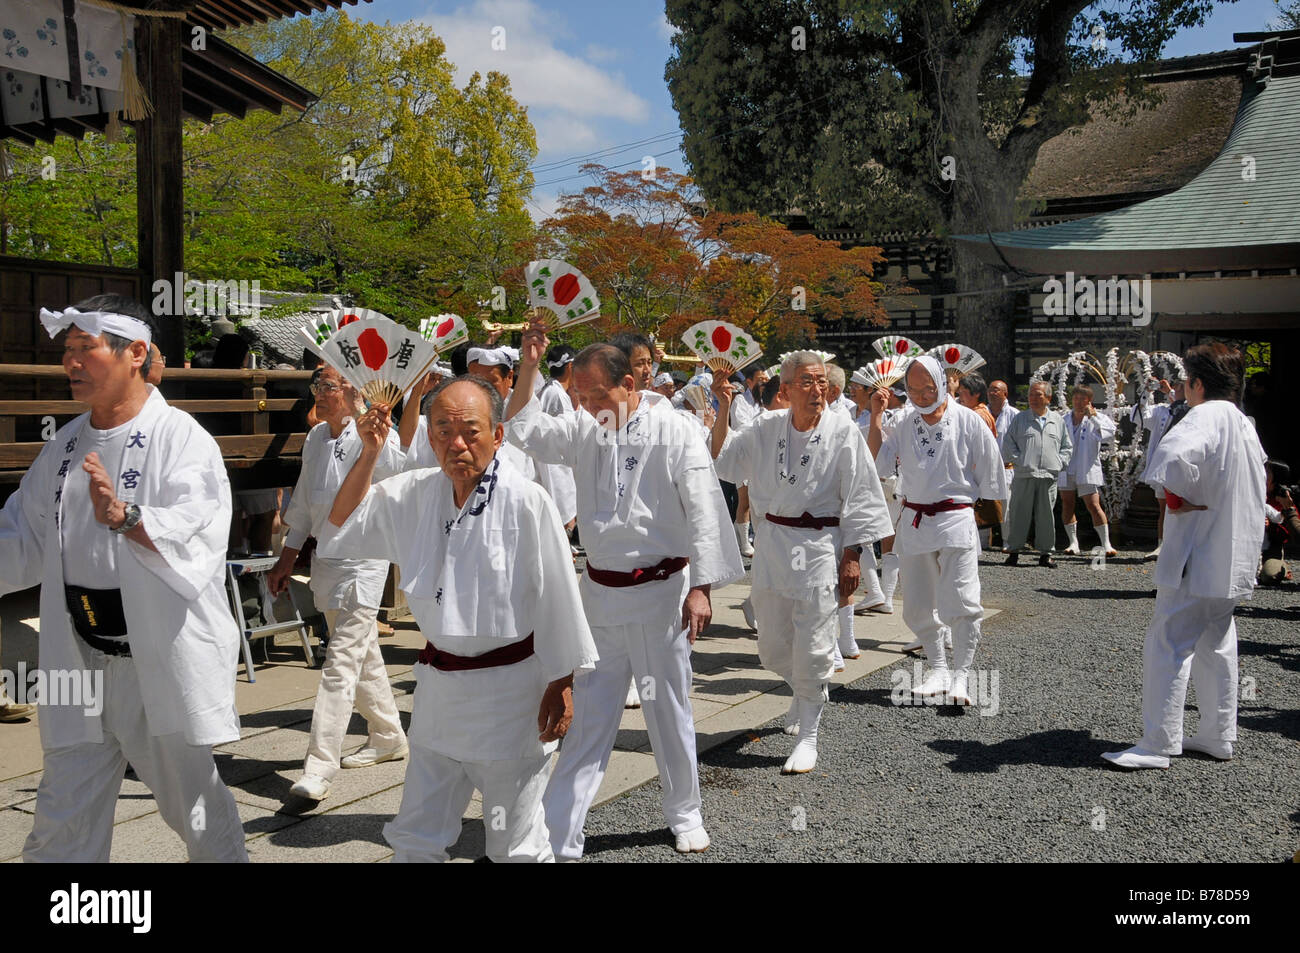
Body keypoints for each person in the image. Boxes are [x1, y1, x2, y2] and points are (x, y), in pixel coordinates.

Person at [0, 296, 246, 862]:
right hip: (76, 655)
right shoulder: (64, 447)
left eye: (86, 349)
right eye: (67, 351)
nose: (72, 363)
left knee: (193, 803)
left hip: (152, 659)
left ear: (136, 353)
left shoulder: (180, 437)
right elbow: (23, 538)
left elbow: (198, 527)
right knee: (64, 808)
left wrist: (130, 518)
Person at [318, 377, 598, 860]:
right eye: (443, 429)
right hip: (439, 696)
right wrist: (369, 452)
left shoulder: (527, 501)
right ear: (429, 437)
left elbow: (559, 594)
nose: (457, 442)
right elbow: (339, 531)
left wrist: (563, 680)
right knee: (416, 833)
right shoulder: (415, 491)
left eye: (470, 429)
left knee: (516, 844)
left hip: (511, 695)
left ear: (498, 434)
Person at [506, 323, 743, 856]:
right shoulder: (584, 429)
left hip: (662, 591)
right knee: (588, 713)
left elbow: (705, 506)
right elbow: (521, 427)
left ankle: (685, 812)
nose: (587, 405)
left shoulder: (676, 428)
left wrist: (701, 587)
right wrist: (528, 364)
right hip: (599, 592)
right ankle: (559, 832)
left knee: (668, 710)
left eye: (596, 394)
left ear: (630, 385)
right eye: (579, 396)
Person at [712, 352, 892, 770]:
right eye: (807, 383)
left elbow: (862, 495)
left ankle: (810, 732)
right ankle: (804, 690)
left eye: (822, 382)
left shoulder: (843, 431)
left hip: (820, 546)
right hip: (774, 542)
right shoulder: (767, 426)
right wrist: (723, 409)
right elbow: (723, 461)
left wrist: (853, 557)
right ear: (786, 388)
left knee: (813, 643)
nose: (817, 390)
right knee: (773, 646)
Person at [1102, 343, 1267, 770]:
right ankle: (1217, 734)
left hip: (1199, 551)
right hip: (1231, 554)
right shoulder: (1244, 423)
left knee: (1170, 641)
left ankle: (1158, 743)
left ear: (1195, 384)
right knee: (1216, 641)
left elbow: (1172, 455)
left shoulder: (1205, 415)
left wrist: (1176, 497)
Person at [268, 365, 409, 801]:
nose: (320, 392)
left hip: (365, 560)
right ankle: (387, 734)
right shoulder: (314, 438)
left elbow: (398, 470)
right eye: (317, 385)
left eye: (328, 385)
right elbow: (306, 500)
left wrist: (377, 431)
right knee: (362, 655)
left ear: (352, 389)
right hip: (327, 558)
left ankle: (319, 767)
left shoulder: (376, 432)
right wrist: (286, 557)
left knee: (339, 664)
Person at [867, 357, 1007, 704]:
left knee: (961, 600)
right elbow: (878, 464)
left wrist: (981, 506)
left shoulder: (968, 420)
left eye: (927, 388)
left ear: (942, 385)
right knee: (915, 603)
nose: (920, 396)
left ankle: (961, 676)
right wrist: (875, 417)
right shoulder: (902, 421)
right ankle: (938, 667)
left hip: (955, 518)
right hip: (914, 518)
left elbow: (991, 470)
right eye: (912, 390)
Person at [1002, 381, 1072, 568]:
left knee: (1046, 516)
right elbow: (1008, 443)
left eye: (1038, 394)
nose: (1033, 398)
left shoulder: (1057, 420)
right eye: (1031, 394)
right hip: (1025, 474)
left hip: (1049, 475)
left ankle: (1046, 553)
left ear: (1048, 398)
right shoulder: (1020, 419)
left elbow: (1067, 446)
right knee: (1019, 513)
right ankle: (1014, 551)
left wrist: (1060, 462)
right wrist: (1019, 460)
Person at [1058, 384, 1118, 557]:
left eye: (1082, 399)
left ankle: (1106, 544)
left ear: (1089, 401)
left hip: (1086, 467)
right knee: (1067, 504)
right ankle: (1073, 543)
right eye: (1075, 398)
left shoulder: (1098, 417)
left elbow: (1109, 434)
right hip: (1066, 467)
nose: (1078, 402)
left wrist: (1093, 417)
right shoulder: (1064, 418)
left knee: (1093, 505)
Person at [1139, 377, 1188, 559]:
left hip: (1182, 464)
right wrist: (1147, 392)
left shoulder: (1191, 409)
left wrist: (1169, 393)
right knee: (1165, 507)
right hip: (1163, 463)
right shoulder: (1162, 410)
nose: (1176, 389)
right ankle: (1162, 545)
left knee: (1180, 507)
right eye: (1176, 387)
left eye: (1180, 388)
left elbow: (1183, 409)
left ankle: (1179, 546)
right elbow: (1140, 417)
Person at [957, 372, 1004, 549]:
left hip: (976, 465)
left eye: (963, 392)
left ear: (975, 393)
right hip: (974, 464)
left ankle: (980, 545)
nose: (959, 396)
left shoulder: (979, 415)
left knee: (978, 506)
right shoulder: (974, 412)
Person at [1259, 460, 1300, 585]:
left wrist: (1269, 526)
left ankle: (1281, 565)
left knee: (1269, 576)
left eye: (1267, 471)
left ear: (1275, 477)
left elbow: (1289, 534)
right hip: (1246, 543)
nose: (1262, 473)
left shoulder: (1283, 500)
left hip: (1271, 546)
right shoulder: (1250, 492)